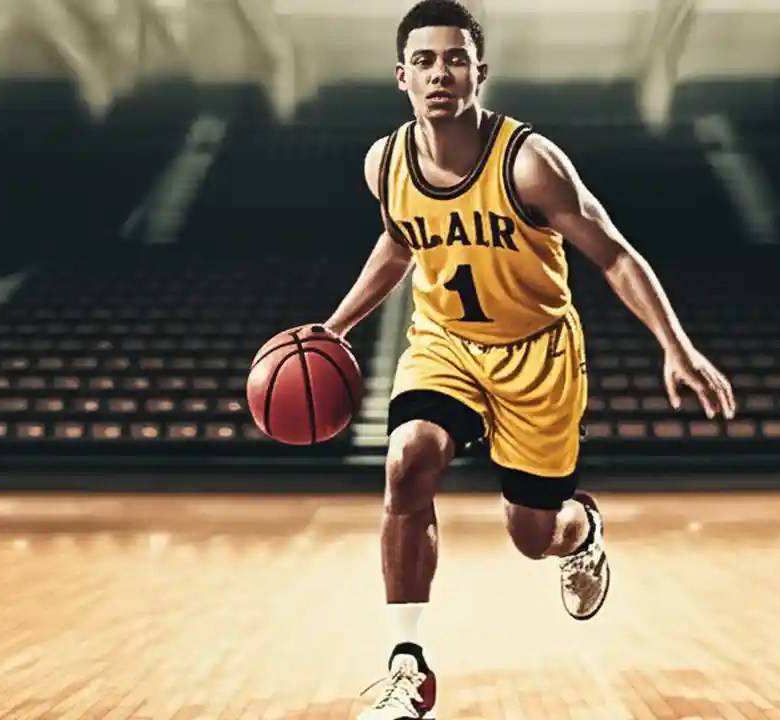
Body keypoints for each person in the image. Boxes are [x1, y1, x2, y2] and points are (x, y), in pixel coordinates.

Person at [312, 1, 736, 717]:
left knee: (531, 536)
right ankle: (407, 665)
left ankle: (582, 530)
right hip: (444, 344)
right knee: (407, 460)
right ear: (401, 77)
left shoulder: (531, 164)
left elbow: (615, 255)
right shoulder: (384, 162)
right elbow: (400, 240)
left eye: (453, 58)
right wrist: (335, 326)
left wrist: (676, 345)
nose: (439, 73)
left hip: (536, 357)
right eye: (423, 61)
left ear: (479, 71)